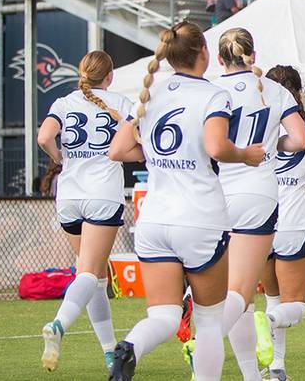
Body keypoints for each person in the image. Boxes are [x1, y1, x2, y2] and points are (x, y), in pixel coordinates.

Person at [106, 21, 265, 381]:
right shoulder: (213, 95)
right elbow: (215, 147)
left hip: (154, 220)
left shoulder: (152, 93)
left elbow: (117, 149)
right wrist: (246, 155)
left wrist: (157, 155)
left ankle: (131, 345)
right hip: (199, 218)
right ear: (204, 53)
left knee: (162, 316)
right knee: (209, 323)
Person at [202, 28, 305, 381]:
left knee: (238, 293)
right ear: (253, 54)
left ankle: (250, 373)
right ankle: (207, 341)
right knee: (242, 292)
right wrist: (275, 144)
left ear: (220, 59)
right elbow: (301, 138)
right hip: (259, 191)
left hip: (217, 193)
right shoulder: (275, 90)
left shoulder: (211, 90)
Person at [36, 51, 134, 372]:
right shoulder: (122, 103)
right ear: (110, 76)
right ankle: (58, 325)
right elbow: (133, 144)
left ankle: (109, 352)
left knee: (95, 277)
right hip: (102, 196)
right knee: (89, 275)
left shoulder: (64, 103)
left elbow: (44, 136)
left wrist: (59, 159)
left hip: (68, 197)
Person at [256, 66, 305, 381]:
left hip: (258, 219)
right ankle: (263, 324)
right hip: (292, 220)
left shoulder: (258, 124)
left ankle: (276, 368)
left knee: (273, 299)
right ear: (297, 92)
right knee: (294, 308)